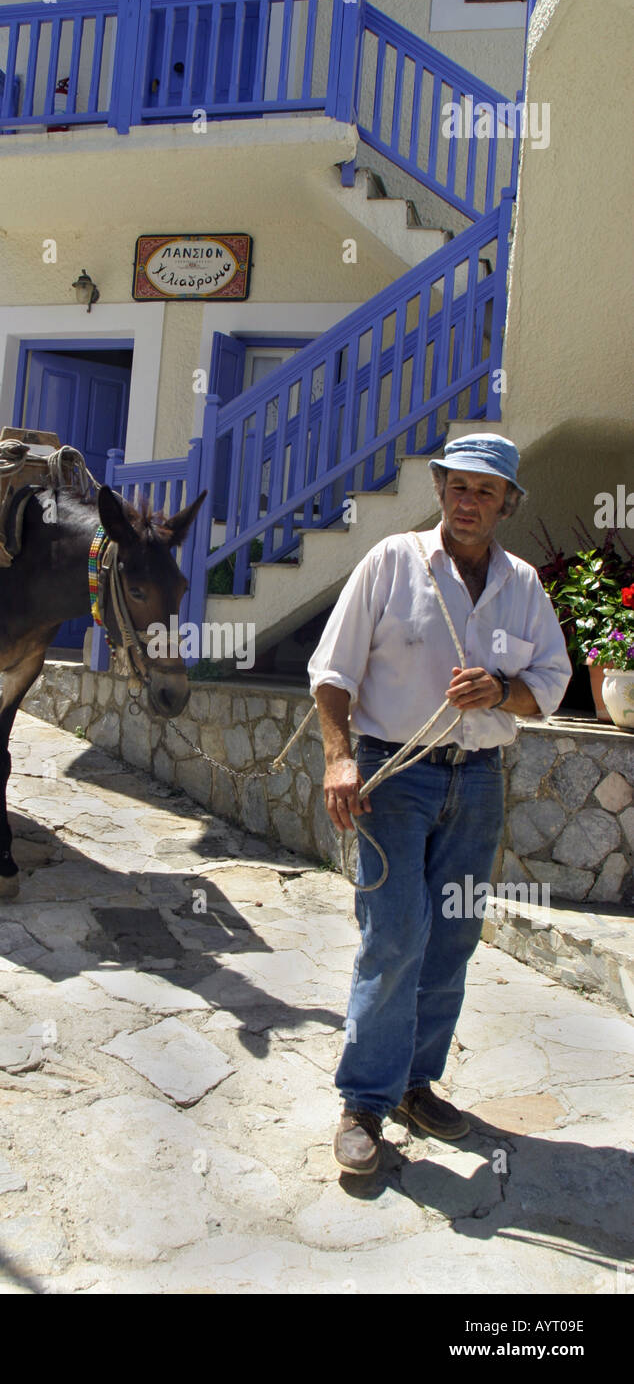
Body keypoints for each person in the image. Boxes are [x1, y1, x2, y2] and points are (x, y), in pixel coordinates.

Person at [307, 433, 571, 1175]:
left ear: (507, 504)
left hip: (479, 779)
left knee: (452, 935)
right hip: (395, 774)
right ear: (441, 490)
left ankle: (414, 1086)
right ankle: (363, 1102)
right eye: (458, 486)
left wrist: (501, 690)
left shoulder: (522, 584)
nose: (468, 500)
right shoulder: (392, 561)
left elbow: (549, 684)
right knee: (394, 934)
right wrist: (336, 759)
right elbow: (332, 671)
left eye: (486, 491)